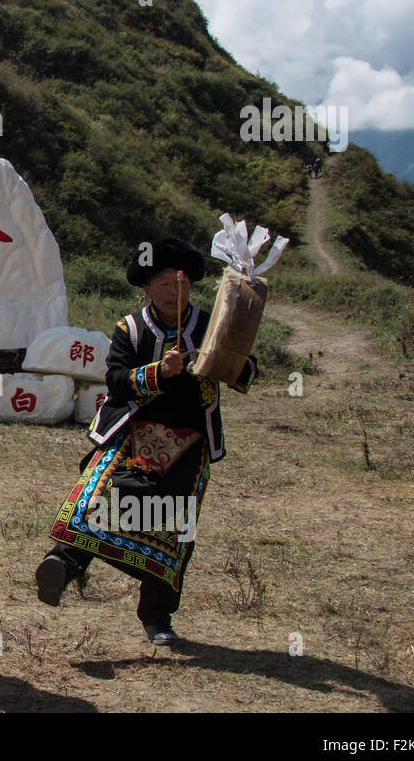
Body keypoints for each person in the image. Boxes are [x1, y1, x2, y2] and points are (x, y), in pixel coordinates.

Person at [35, 238, 258, 645]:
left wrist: (226, 361)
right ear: (146, 290)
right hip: (133, 434)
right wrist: (158, 372)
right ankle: (63, 565)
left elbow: (246, 370)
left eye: (183, 284)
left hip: (190, 442)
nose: (175, 293)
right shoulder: (130, 329)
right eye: (164, 285)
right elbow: (117, 382)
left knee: (173, 526)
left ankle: (157, 617)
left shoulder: (211, 324)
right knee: (100, 497)